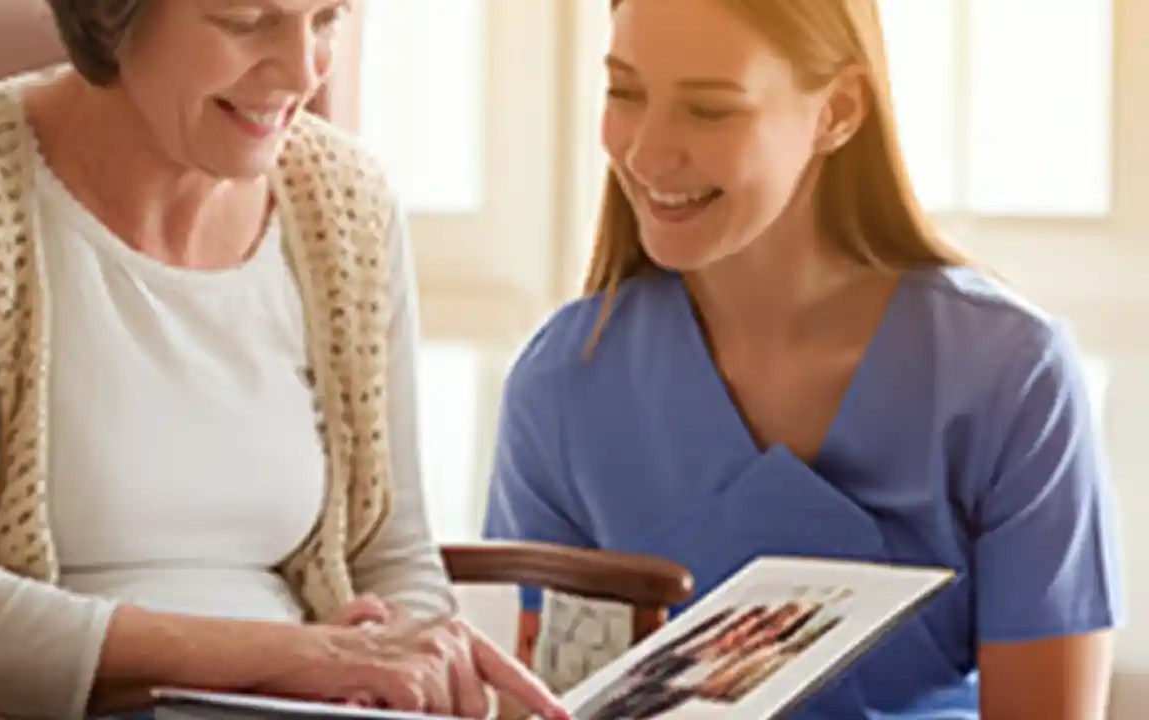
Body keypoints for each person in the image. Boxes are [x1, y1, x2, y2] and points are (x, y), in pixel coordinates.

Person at [0, 1, 569, 719]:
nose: (303, 70)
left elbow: (392, 556)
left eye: (326, 17)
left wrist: (407, 661)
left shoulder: (349, 207)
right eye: (244, 20)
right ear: (113, 15)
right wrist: (286, 659)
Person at [482, 0, 1124, 717]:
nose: (645, 152)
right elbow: (546, 700)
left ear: (838, 111)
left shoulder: (1009, 375)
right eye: (626, 93)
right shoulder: (566, 383)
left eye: (708, 109)